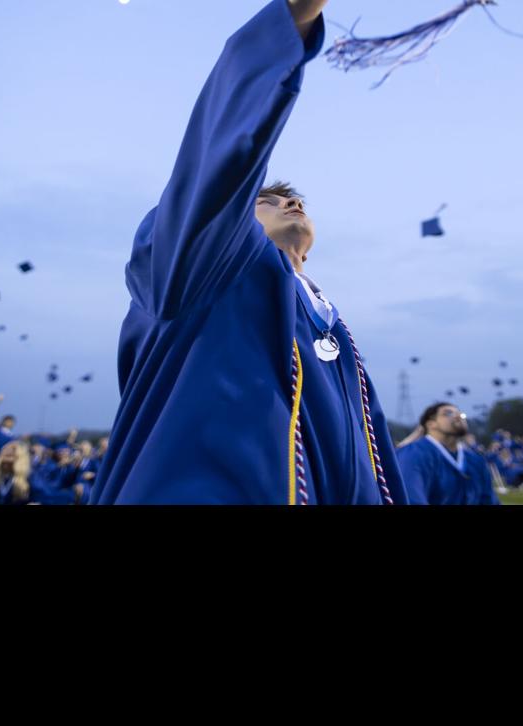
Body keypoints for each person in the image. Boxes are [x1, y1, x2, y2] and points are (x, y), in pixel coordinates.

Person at [94, 0, 403, 505]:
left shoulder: (326, 319)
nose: (291, 202)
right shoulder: (196, 268)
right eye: (268, 198)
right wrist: (293, 21)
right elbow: (219, 155)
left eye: (296, 199)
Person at [395, 403, 499, 505]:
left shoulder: (475, 460)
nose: (458, 416)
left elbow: (489, 500)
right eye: (448, 413)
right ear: (431, 424)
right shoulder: (413, 454)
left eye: (460, 413)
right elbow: (412, 498)